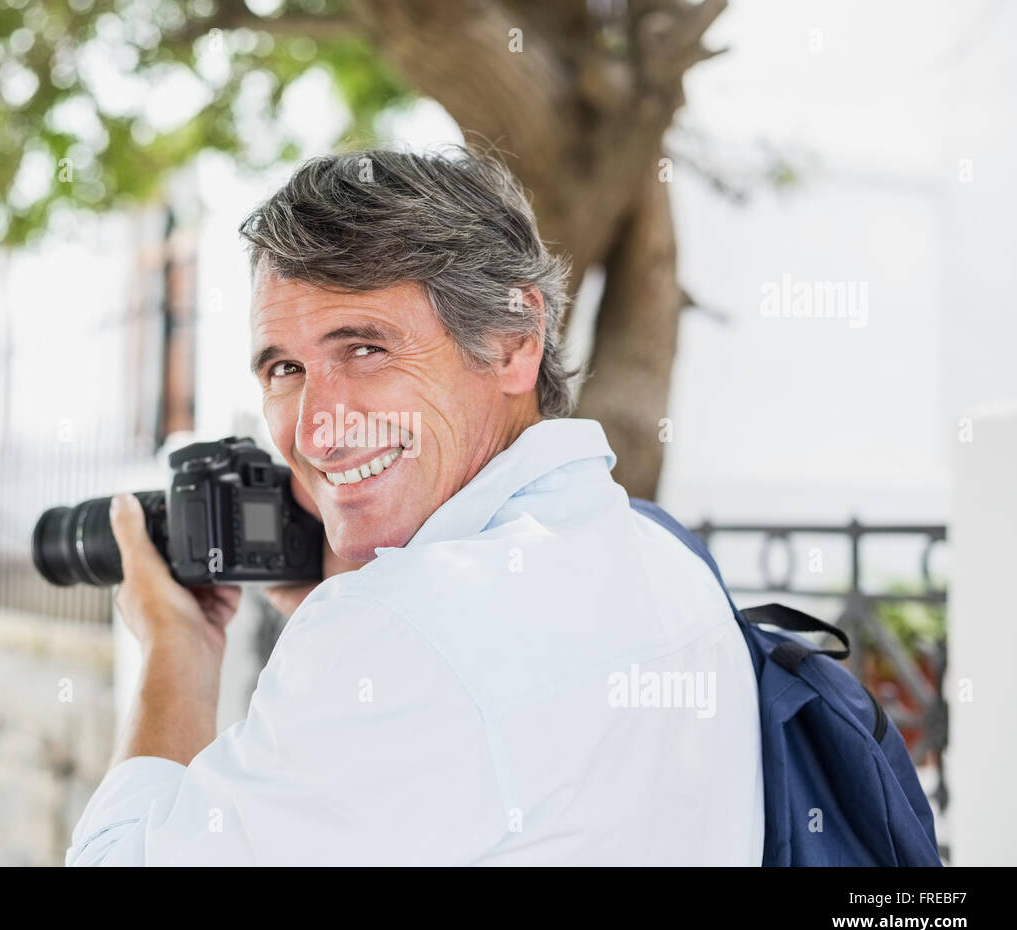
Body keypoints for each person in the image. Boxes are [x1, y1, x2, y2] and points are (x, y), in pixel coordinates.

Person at [66, 145, 764, 865]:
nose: (313, 428)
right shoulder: (663, 556)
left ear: (513, 341)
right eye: (285, 368)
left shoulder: (406, 629)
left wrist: (178, 652)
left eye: (364, 348)